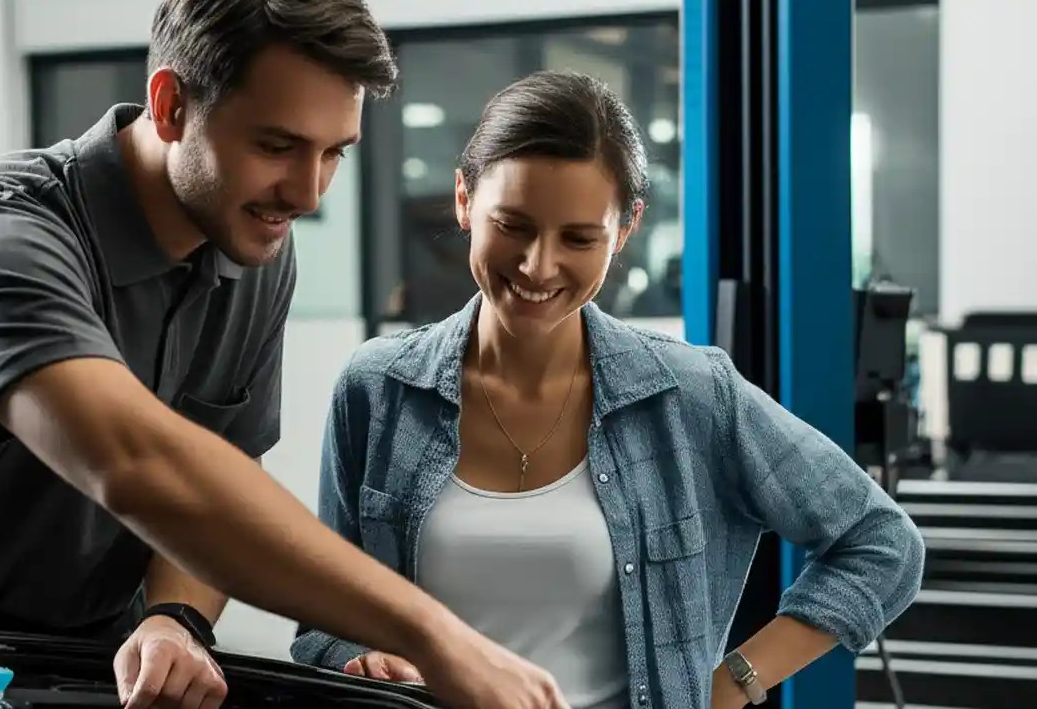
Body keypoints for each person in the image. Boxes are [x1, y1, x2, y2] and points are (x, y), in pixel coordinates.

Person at [0, 0, 571, 709]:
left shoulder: (259, 247)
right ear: (170, 105)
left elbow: (223, 465)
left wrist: (175, 617)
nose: (308, 194)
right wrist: (436, 634)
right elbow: (146, 468)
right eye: (276, 145)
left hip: (91, 649)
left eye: (336, 152)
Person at [290, 70, 926, 709]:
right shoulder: (378, 388)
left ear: (624, 230)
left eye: (578, 238)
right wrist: (357, 658)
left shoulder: (693, 396)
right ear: (463, 199)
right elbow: (324, 616)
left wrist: (734, 683)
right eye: (513, 225)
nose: (539, 265)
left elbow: (882, 544)